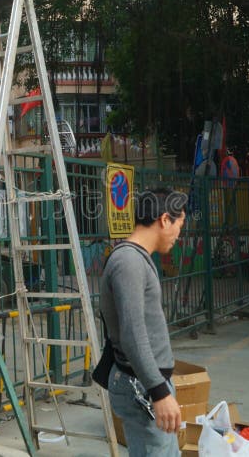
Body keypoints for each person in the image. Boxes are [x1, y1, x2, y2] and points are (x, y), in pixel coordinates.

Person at [99, 189, 187, 456]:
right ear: (164, 220)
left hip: (147, 384)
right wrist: (159, 392)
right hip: (142, 387)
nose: (178, 235)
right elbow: (133, 334)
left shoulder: (135, 259)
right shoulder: (128, 262)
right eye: (179, 225)